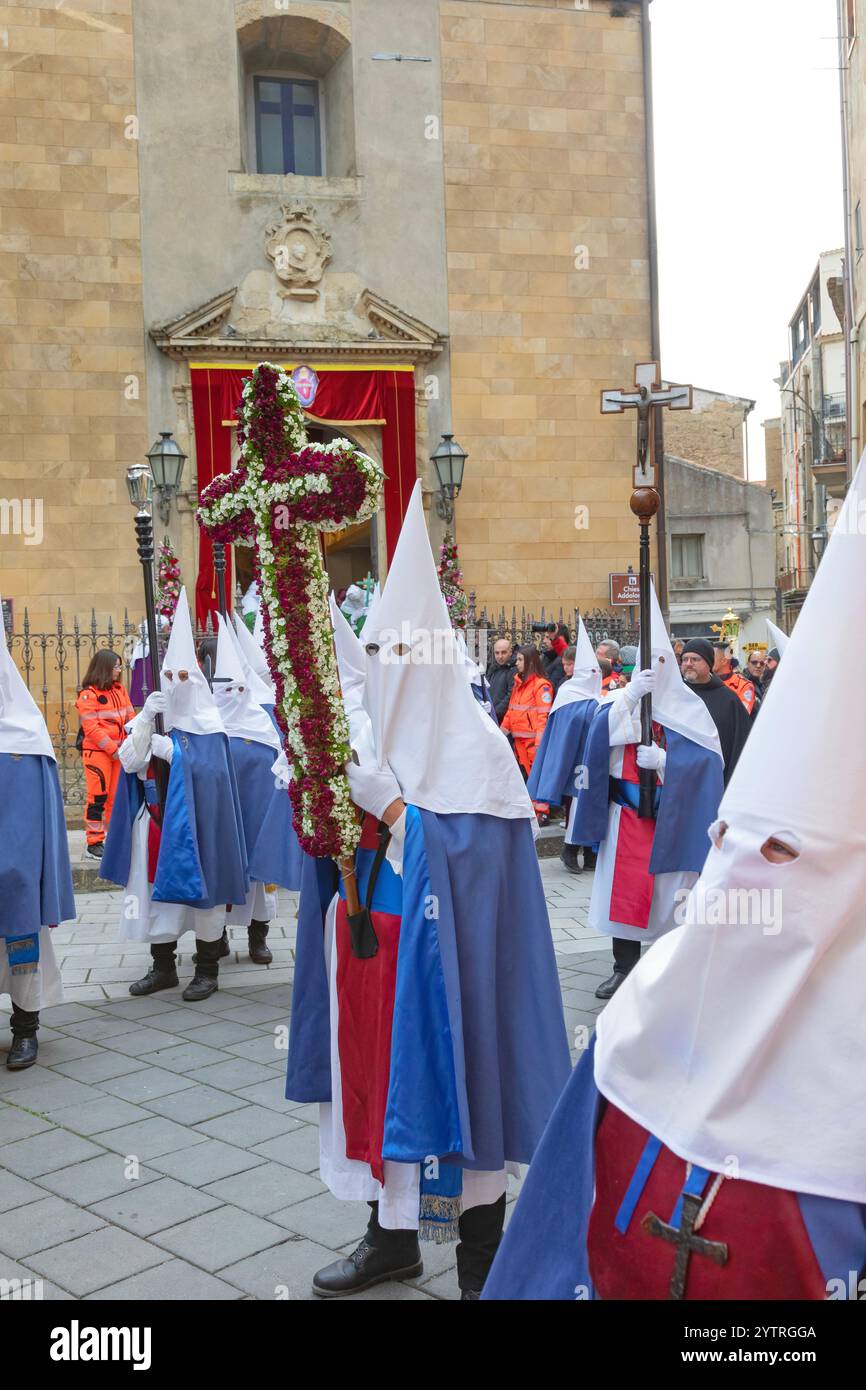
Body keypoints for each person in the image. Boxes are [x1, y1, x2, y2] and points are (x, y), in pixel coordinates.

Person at [483, 456, 866, 1300]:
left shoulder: (726, 708)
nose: (747, 869)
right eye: (740, 843)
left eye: (783, 853)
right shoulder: (641, 1027)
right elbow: (551, 1238)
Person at [286, 483, 571, 1300]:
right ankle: (391, 1240)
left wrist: (398, 808)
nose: (384, 677)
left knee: (464, 1093)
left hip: (446, 982)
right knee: (375, 1101)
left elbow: (465, 862)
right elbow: (331, 846)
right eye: (376, 661)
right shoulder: (369, 735)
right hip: (371, 962)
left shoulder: (476, 758)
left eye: (397, 660)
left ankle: (483, 1265)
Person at [569, 588, 725, 1001]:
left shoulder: (691, 709)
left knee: (668, 898)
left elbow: (709, 764)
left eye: (661, 662)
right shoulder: (623, 699)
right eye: (647, 664)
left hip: (670, 819)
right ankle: (624, 968)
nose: (654, 670)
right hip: (627, 815)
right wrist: (632, 697)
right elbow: (597, 740)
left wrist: (667, 762)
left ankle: (672, 969)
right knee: (625, 899)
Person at [100, 589, 249, 1001]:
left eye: (184, 676)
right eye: (169, 675)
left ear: (197, 680)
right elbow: (129, 761)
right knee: (155, 898)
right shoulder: (152, 716)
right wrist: (146, 720)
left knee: (204, 897)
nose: (176, 682)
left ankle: (206, 969)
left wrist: (177, 755)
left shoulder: (212, 730)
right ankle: (163, 966)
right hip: (156, 820)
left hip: (200, 826)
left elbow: (213, 777)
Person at [0, 600, 76, 1070]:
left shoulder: (25, 742)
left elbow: (36, 821)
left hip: (13, 872)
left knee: (22, 952)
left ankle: (26, 1031)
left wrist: (21, 872)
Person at [213, 615, 302, 965]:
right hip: (222, 814)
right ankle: (215, 937)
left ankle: (258, 937)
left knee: (259, 881)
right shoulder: (209, 722)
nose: (233, 696)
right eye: (226, 689)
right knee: (220, 875)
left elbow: (283, 762)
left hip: (259, 812)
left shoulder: (264, 722)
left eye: (240, 688)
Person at [527, 622, 601, 874]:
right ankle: (570, 848)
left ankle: (590, 852)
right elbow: (564, 732)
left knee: (593, 804)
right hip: (574, 761)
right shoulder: (569, 691)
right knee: (576, 806)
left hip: (595, 763)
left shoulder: (597, 694)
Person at [76, 650, 135, 860]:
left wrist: (128, 745)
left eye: (120, 666)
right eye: (116, 667)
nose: (119, 671)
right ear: (105, 668)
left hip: (118, 753)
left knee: (116, 799)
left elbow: (130, 719)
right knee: (97, 797)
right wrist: (114, 749)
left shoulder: (120, 691)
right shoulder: (88, 695)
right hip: (98, 754)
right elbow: (91, 729)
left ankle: (115, 839)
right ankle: (94, 843)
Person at [680, 638, 752, 783]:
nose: (688, 664)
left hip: (716, 780)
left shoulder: (729, 700)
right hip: (681, 780)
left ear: (709, 663)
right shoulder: (675, 695)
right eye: (685, 659)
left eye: (695, 659)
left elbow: (741, 745)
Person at [500, 644, 555, 824]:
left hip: (532, 741)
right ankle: (532, 809)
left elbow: (543, 715)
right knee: (527, 776)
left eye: (520, 660)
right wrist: (501, 734)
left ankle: (542, 812)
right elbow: (511, 711)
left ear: (530, 661)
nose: (516, 663)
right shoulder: (519, 684)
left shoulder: (541, 686)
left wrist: (540, 743)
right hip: (520, 740)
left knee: (536, 775)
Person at [712, 642, 757, 717]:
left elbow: (741, 716)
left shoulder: (744, 685)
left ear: (724, 661)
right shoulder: (704, 681)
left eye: (712, 657)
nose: (708, 659)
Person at [486, 636, 516, 722]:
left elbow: (511, 695)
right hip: (491, 716)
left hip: (503, 719)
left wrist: (495, 712)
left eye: (503, 652)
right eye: (497, 653)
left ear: (510, 652)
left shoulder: (513, 670)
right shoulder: (493, 668)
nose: (500, 656)